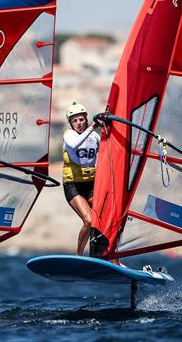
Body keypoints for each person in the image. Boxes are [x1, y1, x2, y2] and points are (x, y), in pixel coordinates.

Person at [62, 102, 105, 256]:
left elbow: (107, 151)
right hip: (73, 185)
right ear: (70, 123)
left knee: (105, 217)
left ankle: (106, 256)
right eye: (75, 121)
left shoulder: (94, 137)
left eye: (81, 119)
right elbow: (74, 144)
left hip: (91, 185)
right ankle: (79, 256)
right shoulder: (69, 135)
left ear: (86, 119)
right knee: (89, 220)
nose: (79, 123)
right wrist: (93, 126)